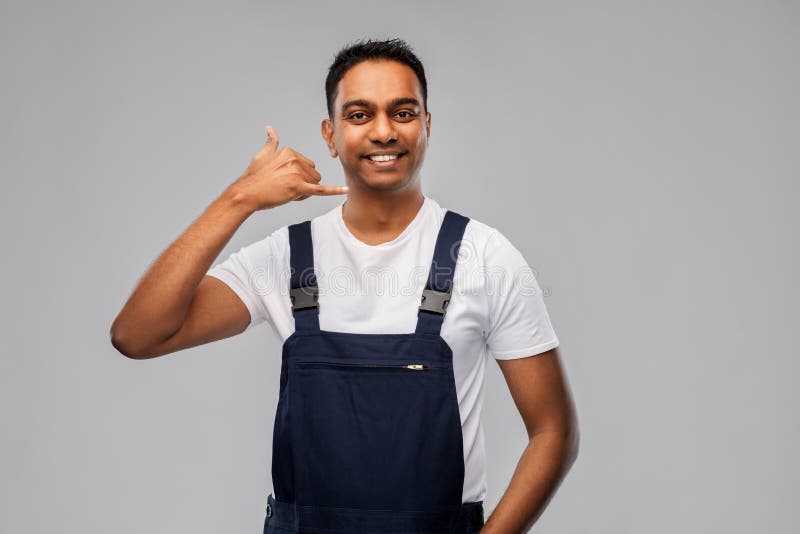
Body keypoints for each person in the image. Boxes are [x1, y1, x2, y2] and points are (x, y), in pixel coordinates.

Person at [110, 37, 579, 534]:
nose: (383, 131)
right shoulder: (285, 258)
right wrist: (239, 198)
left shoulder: (485, 257)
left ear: (426, 126)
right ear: (330, 135)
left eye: (403, 112)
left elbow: (554, 432)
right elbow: (137, 335)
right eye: (359, 115)